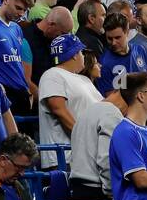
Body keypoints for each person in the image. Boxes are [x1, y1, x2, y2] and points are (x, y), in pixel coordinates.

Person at [37, 33, 102, 170]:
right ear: (74, 54)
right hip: (64, 158)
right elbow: (58, 109)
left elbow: (103, 108)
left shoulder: (83, 79)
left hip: (88, 156)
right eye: (81, 52)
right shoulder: (52, 75)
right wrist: (86, 137)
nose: (83, 56)